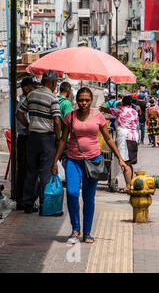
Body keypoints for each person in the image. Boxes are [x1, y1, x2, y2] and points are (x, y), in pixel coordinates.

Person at [51, 87, 128, 244]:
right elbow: (63, 140)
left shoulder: (98, 117)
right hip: (73, 160)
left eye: (86, 100)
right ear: (76, 101)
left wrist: (120, 158)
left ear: (91, 100)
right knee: (72, 193)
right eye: (80, 100)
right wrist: (55, 161)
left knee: (88, 197)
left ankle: (87, 232)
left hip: (94, 161)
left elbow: (108, 139)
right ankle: (75, 229)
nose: (83, 103)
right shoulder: (69, 117)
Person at [16, 70, 61, 214]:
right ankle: (44, 206)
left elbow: (19, 114)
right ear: (53, 82)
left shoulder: (31, 95)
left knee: (31, 172)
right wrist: (58, 136)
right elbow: (57, 120)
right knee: (45, 174)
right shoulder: (52, 98)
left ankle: (28, 204)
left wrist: (28, 126)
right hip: (47, 139)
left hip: (32, 137)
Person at [101, 95, 138, 190]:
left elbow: (107, 110)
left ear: (123, 102)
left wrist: (101, 108)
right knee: (129, 162)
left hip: (124, 137)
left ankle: (128, 186)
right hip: (134, 136)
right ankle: (131, 183)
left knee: (124, 162)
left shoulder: (120, 109)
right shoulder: (134, 111)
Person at [14, 77, 39, 210]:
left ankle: (23, 199)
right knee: (25, 170)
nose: (35, 89)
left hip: (25, 138)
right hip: (24, 138)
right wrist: (28, 126)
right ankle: (22, 200)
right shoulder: (25, 101)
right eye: (33, 87)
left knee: (26, 169)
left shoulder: (27, 100)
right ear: (26, 88)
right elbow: (19, 115)